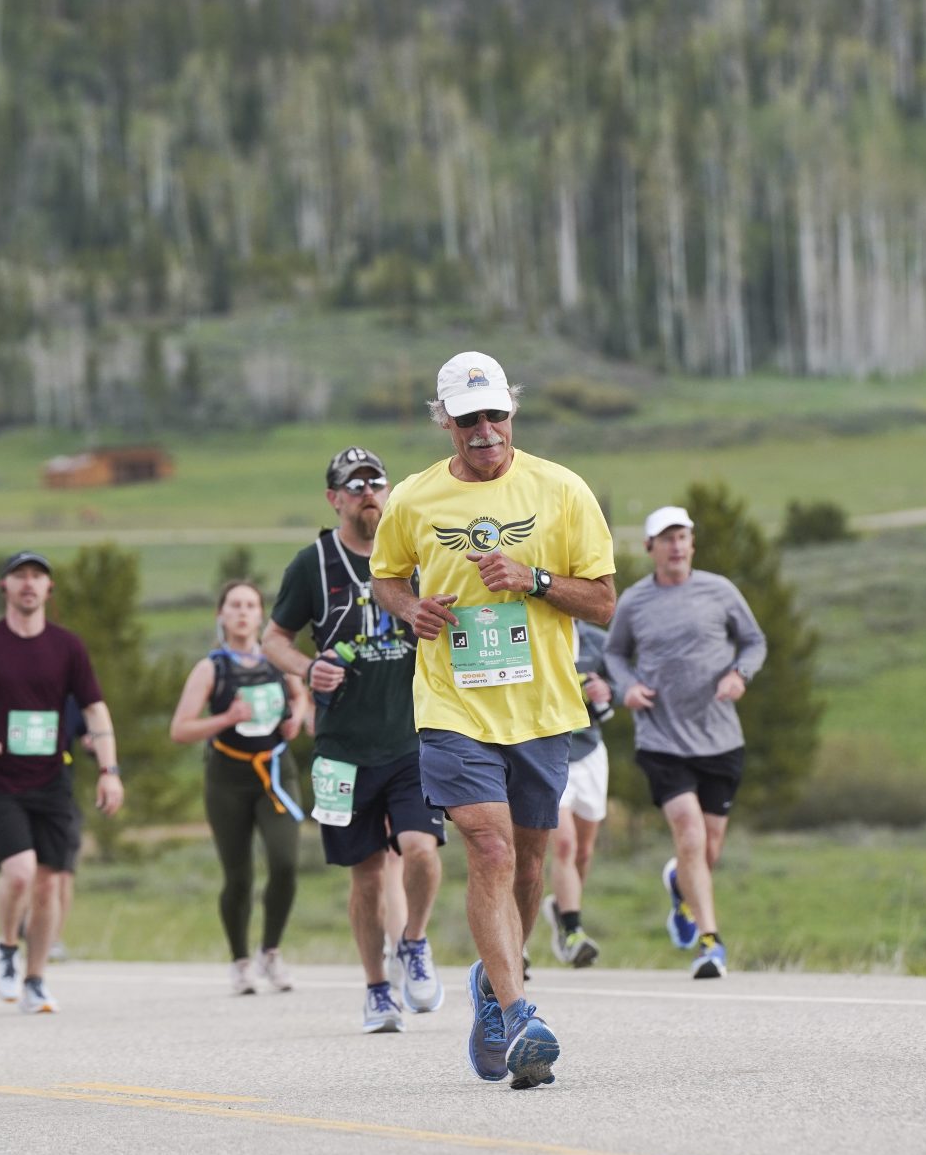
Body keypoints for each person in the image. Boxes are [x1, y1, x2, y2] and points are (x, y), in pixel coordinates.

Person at [371, 353, 616, 1087]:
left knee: (531, 865)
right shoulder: (413, 499)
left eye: (495, 415)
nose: (484, 430)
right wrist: (411, 609)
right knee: (490, 848)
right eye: (468, 418)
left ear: (512, 412)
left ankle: (491, 978)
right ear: (444, 421)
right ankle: (517, 1014)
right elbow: (386, 576)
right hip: (452, 705)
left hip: (541, 708)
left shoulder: (562, 489)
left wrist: (533, 580)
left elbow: (604, 601)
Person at [264, 446, 449, 1034]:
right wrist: (306, 668)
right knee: (366, 874)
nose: (368, 493)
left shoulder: (416, 553)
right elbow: (274, 639)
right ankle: (376, 990)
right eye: (355, 485)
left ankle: (413, 942)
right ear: (334, 498)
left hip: (412, 736)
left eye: (376, 483)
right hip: (342, 747)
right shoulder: (314, 564)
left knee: (421, 849)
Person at [0, 551, 124, 1014]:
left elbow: (95, 708)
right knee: (19, 872)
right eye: (19, 576)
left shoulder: (67, 647)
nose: (28, 583)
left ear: (48, 588)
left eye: (37, 576)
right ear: (3, 586)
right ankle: (6, 946)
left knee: (48, 884)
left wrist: (109, 771)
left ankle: (36, 979)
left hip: (52, 777)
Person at [605, 505, 768, 981]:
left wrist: (740, 675)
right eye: (666, 538)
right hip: (662, 737)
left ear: (692, 543)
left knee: (708, 847)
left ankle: (680, 883)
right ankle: (711, 944)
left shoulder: (720, 591)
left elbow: (754, 642)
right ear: (649, 547)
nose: (676, 546)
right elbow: (614, 653)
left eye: (683, 537)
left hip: (720, 738)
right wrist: (626, 688)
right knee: (691, 835)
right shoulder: (635, 601)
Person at [172, 582, 310, 995]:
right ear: (221, 614)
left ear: (261, 614)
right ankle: (240, 962)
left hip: (276, 773)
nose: (243, 612)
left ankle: (271, 951)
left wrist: (296, 716)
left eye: (251, 605)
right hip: (227, 780)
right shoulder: (211, 668)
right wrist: (226, 718)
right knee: (239, 876)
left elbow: (300, 696)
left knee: (284, 863)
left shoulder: (277, 659)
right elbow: (180, 729)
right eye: (235, 605)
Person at [540, 624, 614, 968]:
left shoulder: (598, 641)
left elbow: (625, 683)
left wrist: (607, 690)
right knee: (565, 845)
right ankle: (573, 932)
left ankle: (562, 907)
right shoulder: (535, 629)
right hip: (548, 751)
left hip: (590, 751)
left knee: (583, 851)